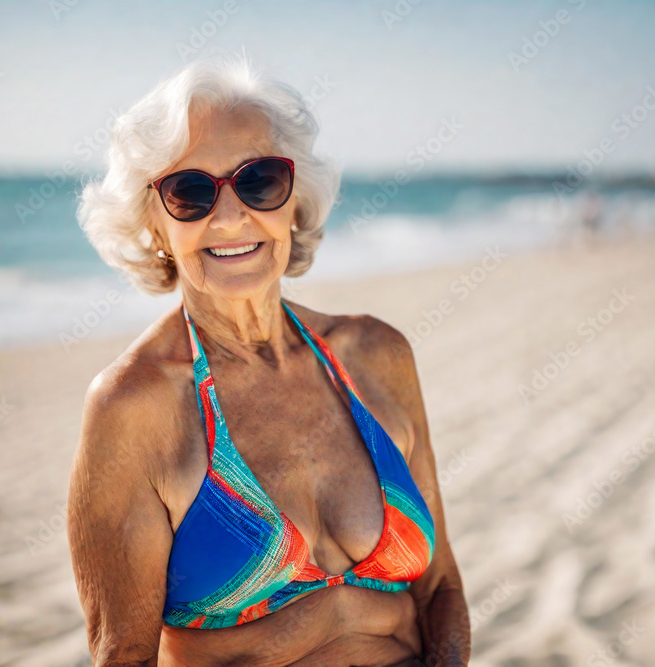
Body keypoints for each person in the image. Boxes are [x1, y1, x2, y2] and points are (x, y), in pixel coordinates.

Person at [67, 55, 470, 666]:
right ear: (154, 224)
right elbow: (123, 656)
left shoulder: (378, 355)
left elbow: (441, 588)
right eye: (189, 192)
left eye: (258, 181)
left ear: (295, 199)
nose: (231, 217)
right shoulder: (133, 406)